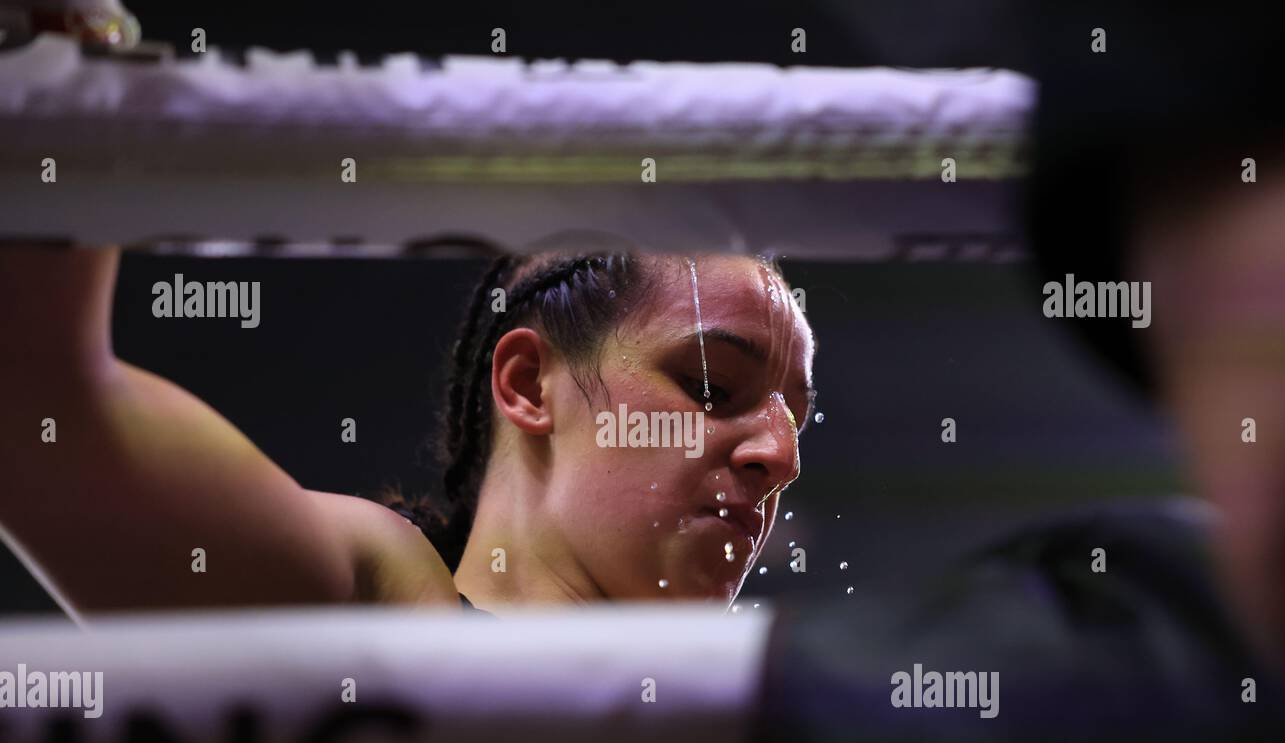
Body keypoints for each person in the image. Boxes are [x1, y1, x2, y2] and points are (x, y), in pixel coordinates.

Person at [0, 245, 814, 615]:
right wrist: (57, 63)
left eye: (795, 420)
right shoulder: (384, 599)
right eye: (710, 386)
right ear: (530, 386)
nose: (779, 456)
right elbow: (32, 404)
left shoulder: (760, 731)